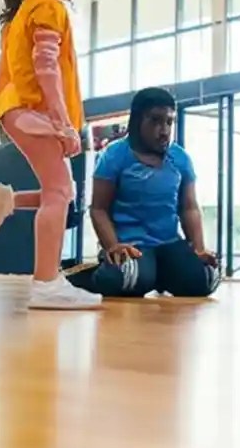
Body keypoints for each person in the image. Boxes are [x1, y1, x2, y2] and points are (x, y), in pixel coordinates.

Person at [0, 0, 96, 309]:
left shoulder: (23, 11)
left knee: (60, 190)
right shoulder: (49, 7)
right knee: (60, 192)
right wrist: (63, 123)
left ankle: (9, 200)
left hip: (15, 109)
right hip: (32, 111)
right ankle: (46, 283)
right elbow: (45, 67)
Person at [48, 88, 217, 298]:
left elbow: (189, 207)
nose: (164, 130)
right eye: (155, 121)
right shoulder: (114, 155)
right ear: (137, 121)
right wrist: (113, 246)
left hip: (169, 243)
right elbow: (99, 209)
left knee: (204, 280)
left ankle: (159, 273)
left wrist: (198, 249)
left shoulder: (180, 158)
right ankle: (81, 272)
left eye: (169, 122)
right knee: (129, 278)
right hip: (130, 244)